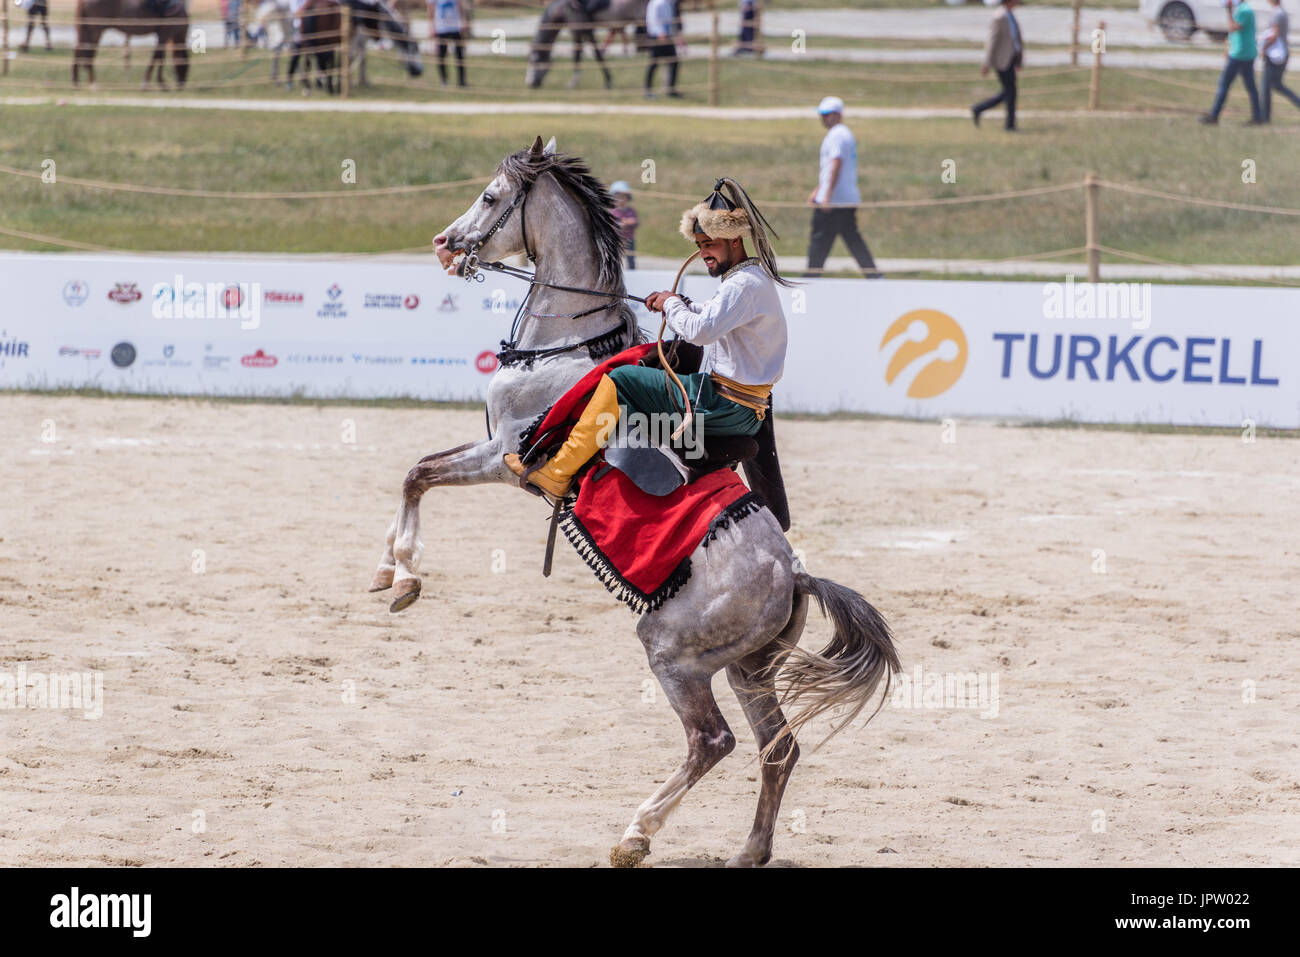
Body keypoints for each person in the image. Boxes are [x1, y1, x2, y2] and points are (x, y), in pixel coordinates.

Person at [505, 178, 791, 498]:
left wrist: (671, 304)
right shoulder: (747, 280)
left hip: (723, 404)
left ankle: (557, 473)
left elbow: (702, 331)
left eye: (709, 244)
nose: (704, 253)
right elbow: (712, 315)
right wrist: (680, 304)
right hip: (733, 402)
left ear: (734, 239)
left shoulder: (743, 285)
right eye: (699, 246)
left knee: (622, 379)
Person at [804, 96, 881, 279]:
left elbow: (836, 164)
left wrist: (827, 196)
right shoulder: (842, 133)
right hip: (844, 199)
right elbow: (831, 168)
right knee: (852, 239)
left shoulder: (838, 135)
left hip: (835, 201)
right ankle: (874, 275)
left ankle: (810, 278)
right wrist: (818, 190)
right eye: (822, 114)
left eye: (827, 114)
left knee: (820, 240)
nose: (823, 118)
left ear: (838, 115)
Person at [1200, 0, 1264, 124]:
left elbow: (1232, 27)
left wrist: (1228, 10)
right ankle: (1257, 116)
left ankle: (1214, 116)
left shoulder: (1244, 10)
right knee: (1250, 87)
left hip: (1241, 54)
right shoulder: (1241, 8)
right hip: (1243, 53)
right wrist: (1228, 47)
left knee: (1224, 84)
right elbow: (1235, 33)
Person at [972, 0, 1024, 131]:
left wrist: (1018, 60)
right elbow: (992, 41)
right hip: (1002, 61)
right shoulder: (999, 17)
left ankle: (979, 109)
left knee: (1009, 92)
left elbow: (1015, 40)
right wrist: (986, 63)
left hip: (1011, 59)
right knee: (1010, 92)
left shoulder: (1010, 15)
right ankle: (1009, 125)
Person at [1259, 0, 1300, 120]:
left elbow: (1274, 34)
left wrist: (1263, 48)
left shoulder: (1277, 14)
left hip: (1275, 55)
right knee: (1277, 85)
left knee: (1266, 86)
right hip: (1281, 53)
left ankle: (1264, 117)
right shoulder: (1281, 12)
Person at [644, 0, 682, 99]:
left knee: (674, 62)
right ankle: (647, 90)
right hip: (658, 36)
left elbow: (669, 20)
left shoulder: (667, 3)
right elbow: (653, 19)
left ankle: (670, 90)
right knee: (653, 63)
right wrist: (660, 33)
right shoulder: (657, 3)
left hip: (666, 35)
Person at [430, 0, 468, 87]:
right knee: (441, 55)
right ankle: (444, 80)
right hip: (441, 28)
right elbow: (431, 9)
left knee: (459, 55)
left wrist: (463, 21)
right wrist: (431, 26)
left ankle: (461, 81)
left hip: (455, 27)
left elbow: (460, 5)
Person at [610, 181, 639, 270]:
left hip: (629, 239)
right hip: (617, 239)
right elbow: (611, 225)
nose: (621, 199)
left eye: (623, 197)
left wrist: (630, 222)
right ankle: (614, 271)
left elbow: (635, 221)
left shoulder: (631, 211)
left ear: (627, 198)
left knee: (631, 258)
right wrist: (620, 224)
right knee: (615, 257)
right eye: (618, 197)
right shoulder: (612, 212)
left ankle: (632, 271)